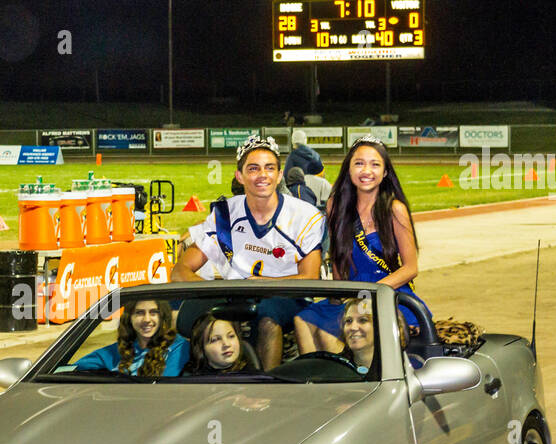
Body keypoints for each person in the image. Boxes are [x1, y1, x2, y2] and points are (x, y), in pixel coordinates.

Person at [175, 134, 325, 370]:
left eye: (269, 168)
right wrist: (212, 292)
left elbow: (310, 278)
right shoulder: (226, 214)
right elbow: (181, 270)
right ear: (239, 176)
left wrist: (261, 283)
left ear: (279, 175)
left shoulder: (304, 215)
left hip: (288, 295)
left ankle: (265, 389)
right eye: (253, 169)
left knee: (267, 315)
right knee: (193, 315)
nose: (262, 175)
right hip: (238, 293)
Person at [294, 135, 431, 354]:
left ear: (385, 172)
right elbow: (338, 258)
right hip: (352, 293)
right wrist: (337, 296)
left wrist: (372, 292)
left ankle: (347, 383)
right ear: (348, 169)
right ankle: (316, 382)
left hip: (388, 293)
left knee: (327, 333)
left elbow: (410, 268)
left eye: (375, 164)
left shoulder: (394, 210)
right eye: (359, 163)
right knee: (303, 319)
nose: (366, 170)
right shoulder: (335, 207)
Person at [73, 298, 189, 377]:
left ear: (162, 316)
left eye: (153, 312)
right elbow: (73, 369)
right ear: (129, 317)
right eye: (139, 313)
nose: (147, 319)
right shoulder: (119, 349)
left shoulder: (179, 347)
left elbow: (164, 387)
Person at [184, 314, 259, 375]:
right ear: (201, 349)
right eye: (215, 340)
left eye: (231, 336)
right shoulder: (190, 381)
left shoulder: (254, 377)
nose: (226, 344)